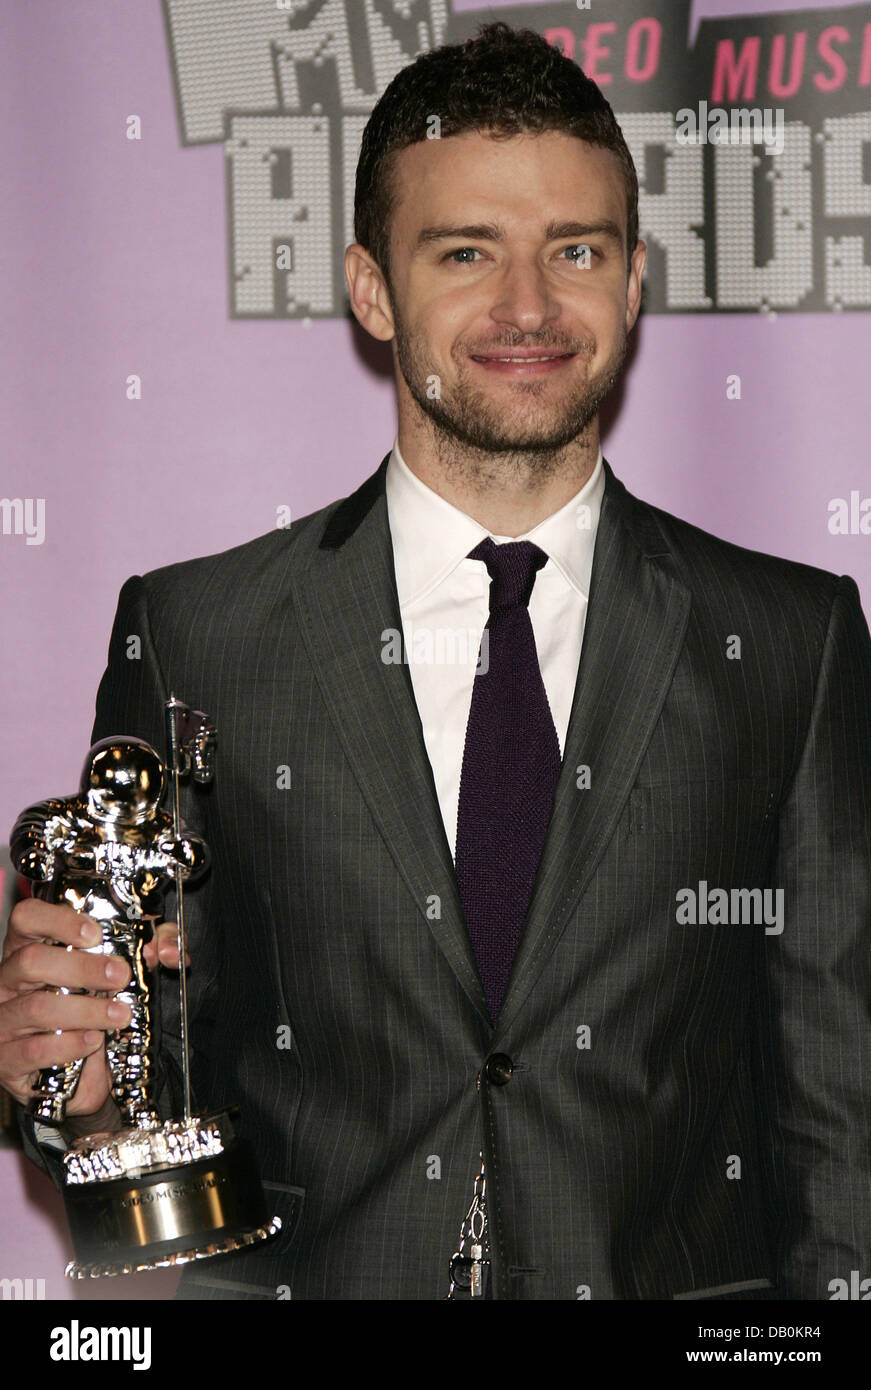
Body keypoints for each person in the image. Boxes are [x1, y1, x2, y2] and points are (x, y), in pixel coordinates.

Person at [2, 22, 869, 1301]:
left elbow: (841, 1120)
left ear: (632, 281)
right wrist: (77, 1105)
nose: (527, 306)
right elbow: (150, 1097)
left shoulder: (791, 643)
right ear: (370, 287)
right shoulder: (199, 635)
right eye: (465, 252)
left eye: (575, 250)